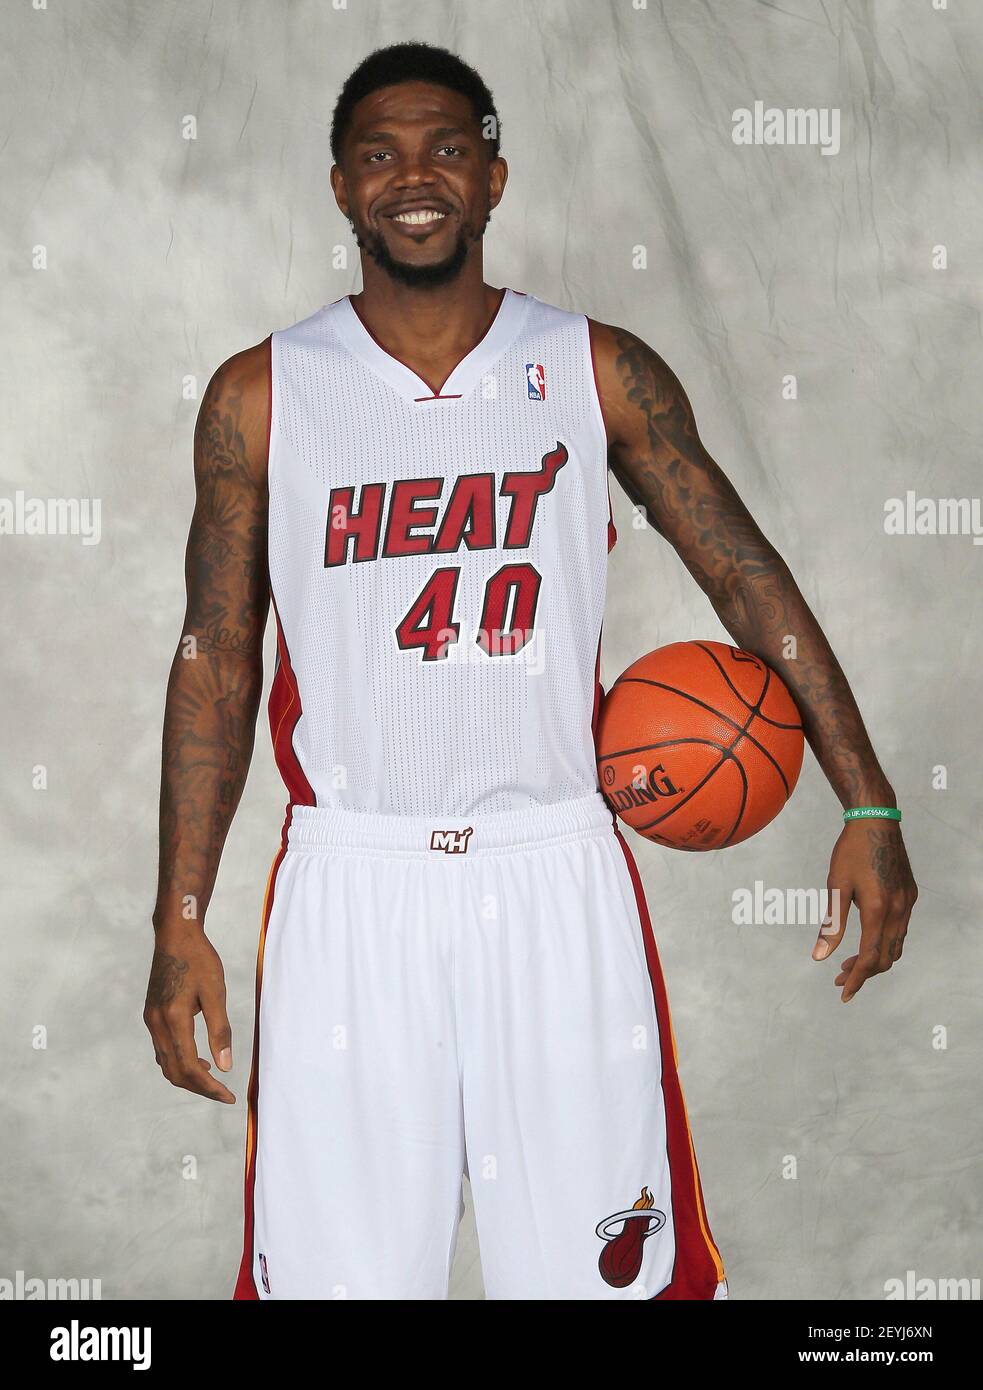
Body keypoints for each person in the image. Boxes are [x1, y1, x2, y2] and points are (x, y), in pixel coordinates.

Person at [144, 42, 917, 1301]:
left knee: (603, 1285)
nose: (415, 177)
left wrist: (867, 799)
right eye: (380, 154)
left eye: (446, 149)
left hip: (551, 868)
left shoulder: (595, 369)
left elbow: (746, 575)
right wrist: (180, 918)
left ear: (493, 179)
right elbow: (215, 663)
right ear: (338, 188)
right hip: (353, 880)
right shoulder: (260, 395)